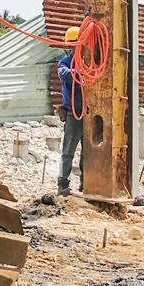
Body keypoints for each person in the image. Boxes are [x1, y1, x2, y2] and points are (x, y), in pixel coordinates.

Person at [57, 26, 83, 194]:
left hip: (89, 113)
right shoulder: (65, 62)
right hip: (73, 113)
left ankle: (86, 183)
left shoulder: (89, 61)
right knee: (68, 151)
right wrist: (80, 72)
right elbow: (64, 74)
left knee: (89, 152)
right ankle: (63, 184)